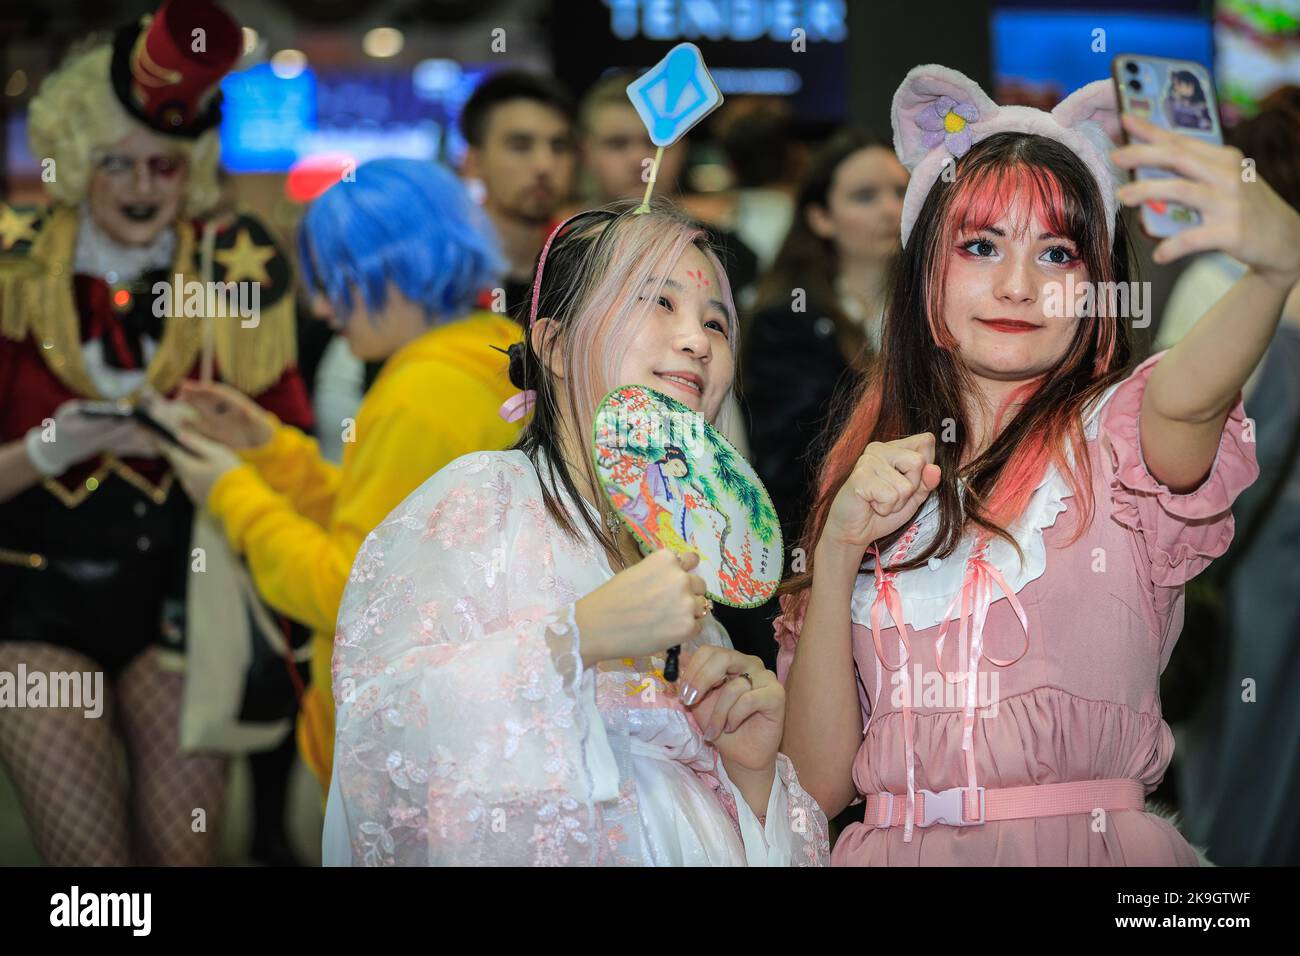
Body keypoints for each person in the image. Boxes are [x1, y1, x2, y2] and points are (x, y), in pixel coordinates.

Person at [776, 64, 1298, 865]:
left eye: (1056, 255)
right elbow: (815, 784)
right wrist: (841, 544)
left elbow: (1191, 397)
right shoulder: (869, 478)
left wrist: (1274, 269)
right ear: (924, 276)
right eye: (981, 247)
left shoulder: (1117, 439)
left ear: (1096, 290)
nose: (1018, 287)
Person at [322, 203, 829, 865]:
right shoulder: (480, 499)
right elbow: (380, 734)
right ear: (556, 347)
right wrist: (574, 640)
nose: (698, 341)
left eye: (715, 322)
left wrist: (751, 774)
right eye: (659, 303)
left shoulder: (684, 567)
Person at [0, 0, 311, 865]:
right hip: (34, 603)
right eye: (118, 164)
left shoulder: (237, 270)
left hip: (188, 598)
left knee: (186, 853)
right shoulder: (13, 270)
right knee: (86, 865)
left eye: (163, 169)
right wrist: (44, 450)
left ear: (193, 171)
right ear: (77, 164)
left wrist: (216, 440)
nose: (142, 188)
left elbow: (294, 459)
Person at [159, 159, 523, 796]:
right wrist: (270, 451)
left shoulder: (419, 394)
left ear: (392, 269)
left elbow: (350, 593)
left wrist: (231, 493)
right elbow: (397, 534)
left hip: (407, 761)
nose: (324, 308)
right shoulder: (491, 349)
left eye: (336, 283)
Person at [1158, 86, 1300, 865]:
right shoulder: (1228, 286)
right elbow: (1179, 459)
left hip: (1261, 575)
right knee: (1242, 784)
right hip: (1243, 585)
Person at [745, 127, 908, 552]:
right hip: (818, 549)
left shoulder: (940, 310)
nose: (892, 209)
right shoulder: (784, 321)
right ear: (820, 217)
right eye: (865, 196)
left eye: (901, 191)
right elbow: (793, 464)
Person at [459, 70, 578, 319]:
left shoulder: (588, 263)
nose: (545, 165)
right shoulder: (441, 271)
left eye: (559, 146)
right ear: (474, 162)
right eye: (520, 146)